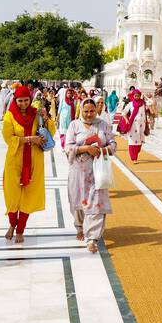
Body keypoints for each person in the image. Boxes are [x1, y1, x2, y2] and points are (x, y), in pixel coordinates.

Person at [66, 97, 118, 253]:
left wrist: (101, 150)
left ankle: (92, 238)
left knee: (96, 204)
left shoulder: (103, 125)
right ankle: (80, 226)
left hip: (97, 171)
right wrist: (85, 148)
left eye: (92, 111)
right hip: (78, 171)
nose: (89, 114)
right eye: (86, 111)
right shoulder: (74, 125)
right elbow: (68, 147)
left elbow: (113, 144)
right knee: (78, 203)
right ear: (81, 110)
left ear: (96, 111)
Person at [1, 84, 48, 244]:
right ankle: (12, 224)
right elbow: (8, 138)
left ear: (30, 99)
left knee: (29, 195)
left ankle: (20, 229)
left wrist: (46, 119)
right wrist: (29, 139)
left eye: (26, 100)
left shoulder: (36, 114)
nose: (23, 104)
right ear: (15, 100)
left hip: (34, 159)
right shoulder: (10, 116)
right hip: (14, 160)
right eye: (20, 101)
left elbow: (48, 134)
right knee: (12, 196)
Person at [119, 89, 148, 163]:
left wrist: (146, 97)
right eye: (135, 95)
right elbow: (124, 112)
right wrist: (126, 120)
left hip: (141, 126)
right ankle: (134, 158)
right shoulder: (131, 104)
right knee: (132, 142)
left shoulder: (143, 103)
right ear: (133, 96)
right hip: (132, 126)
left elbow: (146, 111)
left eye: (138, 95)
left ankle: (136, 153)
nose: (137, 97)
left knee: (139, 142)